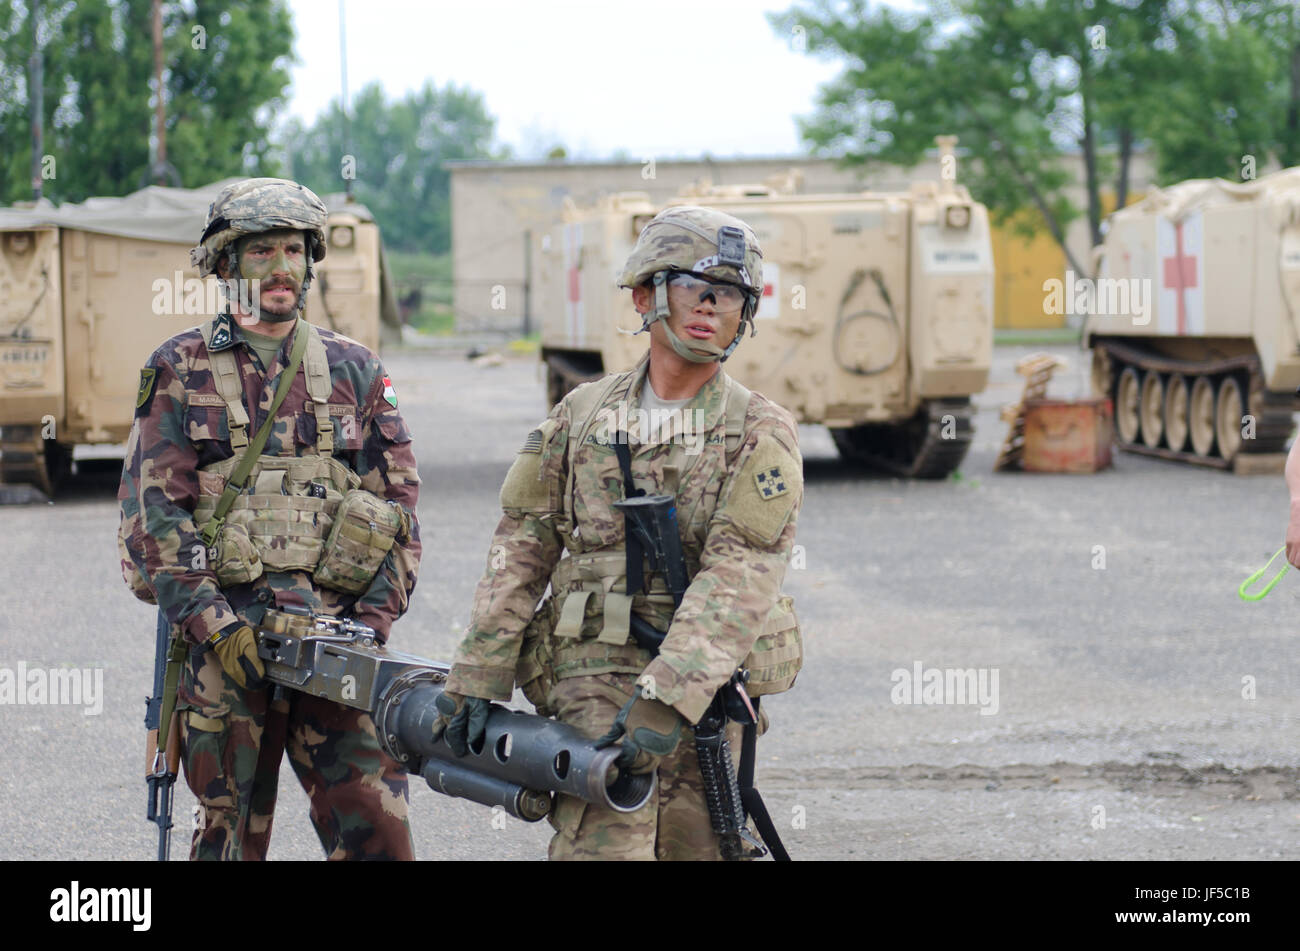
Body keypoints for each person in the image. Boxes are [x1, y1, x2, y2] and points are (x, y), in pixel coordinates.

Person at [437, 206, 803, 860]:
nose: (714, 307)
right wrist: (479, 667)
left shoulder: (759, 431)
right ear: (646, 295)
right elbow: (523, 547)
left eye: (734, 296)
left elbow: (738, 576)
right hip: (590, 680)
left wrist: (667, 700)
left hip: (703, 692)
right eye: (697, 287)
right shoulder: (578, 415)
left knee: (700, 845)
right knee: (601, 849)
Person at [117, 178, 421, 860]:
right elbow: (156, 517)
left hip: (337, 644)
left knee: (378, 827)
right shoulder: (178, 367)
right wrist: (215, 628)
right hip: (228, 647)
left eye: (292, 249)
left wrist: (371, 626)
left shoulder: (358, 370)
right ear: (227, 264)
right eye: (261, 252)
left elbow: (401, 509)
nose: (281, 267)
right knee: (228, 834)